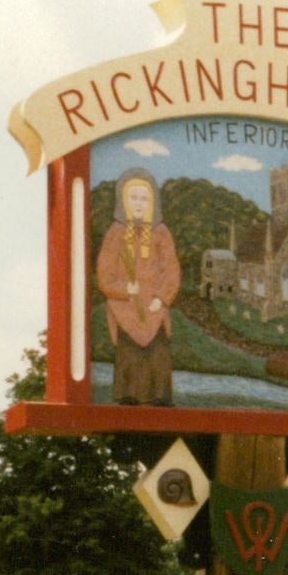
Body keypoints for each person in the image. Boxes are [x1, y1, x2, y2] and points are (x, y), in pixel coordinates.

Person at [95, 168, 180, 405]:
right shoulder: (116, 234)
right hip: (126, 308)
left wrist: (161, 298)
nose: (139, 203)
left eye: (144, 198)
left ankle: (161, 397)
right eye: (133, 198)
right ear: (123, 201)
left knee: (158, 353)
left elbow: (171, 270)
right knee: (129, 354)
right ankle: (128, 396)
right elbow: (105, 274)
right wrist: (123, 290)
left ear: (153, 202)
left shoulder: (161, 233)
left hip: (153, 308)